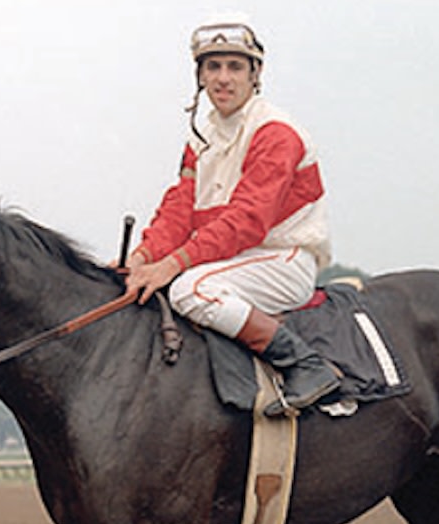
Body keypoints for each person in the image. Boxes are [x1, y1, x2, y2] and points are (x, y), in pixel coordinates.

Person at [124, 18, 340, 417]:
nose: (223, 78)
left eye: (235, 67)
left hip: (282, 259)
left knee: (189, 290)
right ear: (200, 75)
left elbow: (247, 221)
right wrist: (140, 259)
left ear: (255, 74)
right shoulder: (200, 137)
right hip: (231, 261)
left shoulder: (276, 132)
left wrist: (171, 265)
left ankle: (305, 365)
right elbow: (178, 211)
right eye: (213, 67)